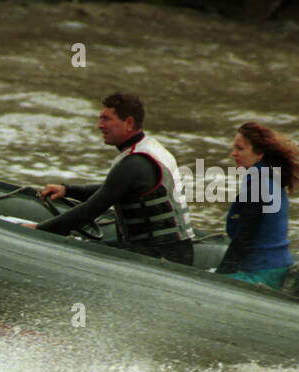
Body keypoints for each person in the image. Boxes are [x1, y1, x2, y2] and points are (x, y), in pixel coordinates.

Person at [34, 92, 196, 264]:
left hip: (161, 256)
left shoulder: (135, 162)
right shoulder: (149, 149)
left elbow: (91, 209)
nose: (100, 125)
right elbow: (113, 190)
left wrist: (38, 229)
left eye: (106, 119)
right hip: (173, 252)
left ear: (129, 123)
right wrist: (68, 190)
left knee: (81, 255)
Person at [214, 121, 299, 288]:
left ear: (259, 153)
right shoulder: (268, 177)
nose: (233, 154)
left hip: (262, 271)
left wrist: (221, 275)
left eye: (240, 149)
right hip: (274, 265)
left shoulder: (259, 183)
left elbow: (245, 234)